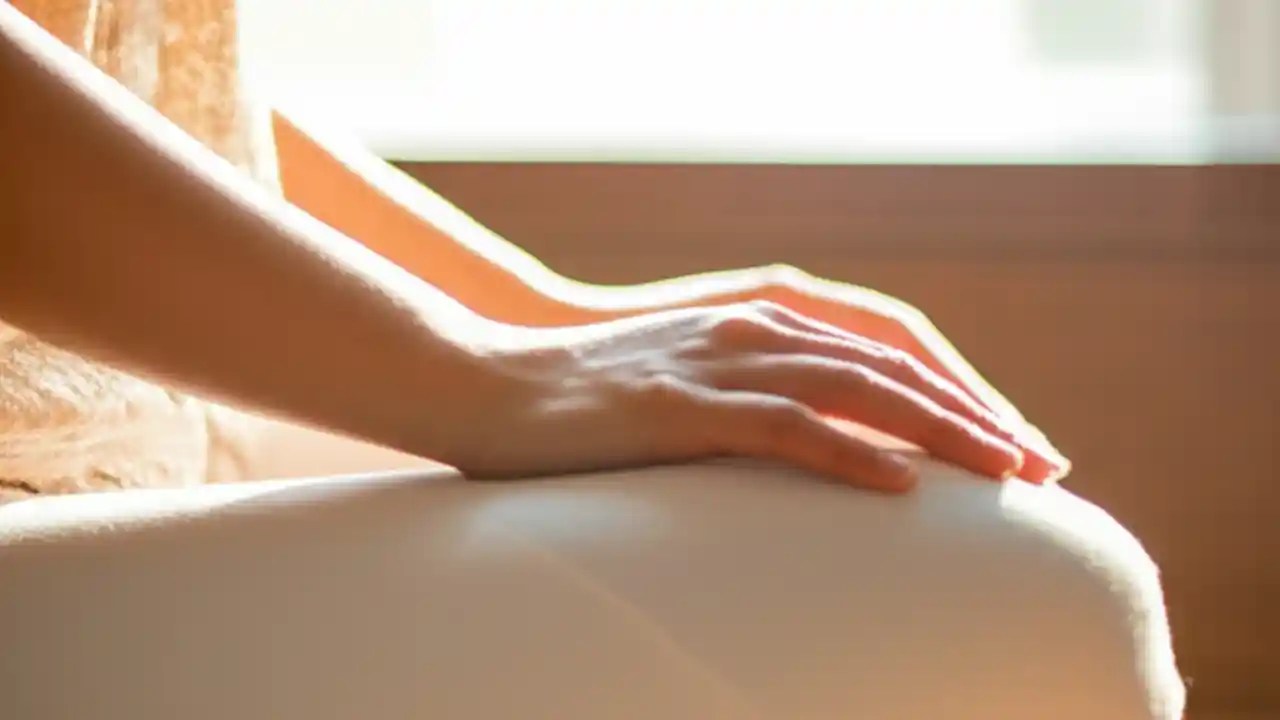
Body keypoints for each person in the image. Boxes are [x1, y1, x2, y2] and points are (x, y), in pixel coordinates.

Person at [0, 3, 1183, 718]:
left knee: (936, 531)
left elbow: (132, 44)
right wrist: (477, 373)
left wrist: (536, 317)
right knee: (1014, 605)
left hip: (128, 411)